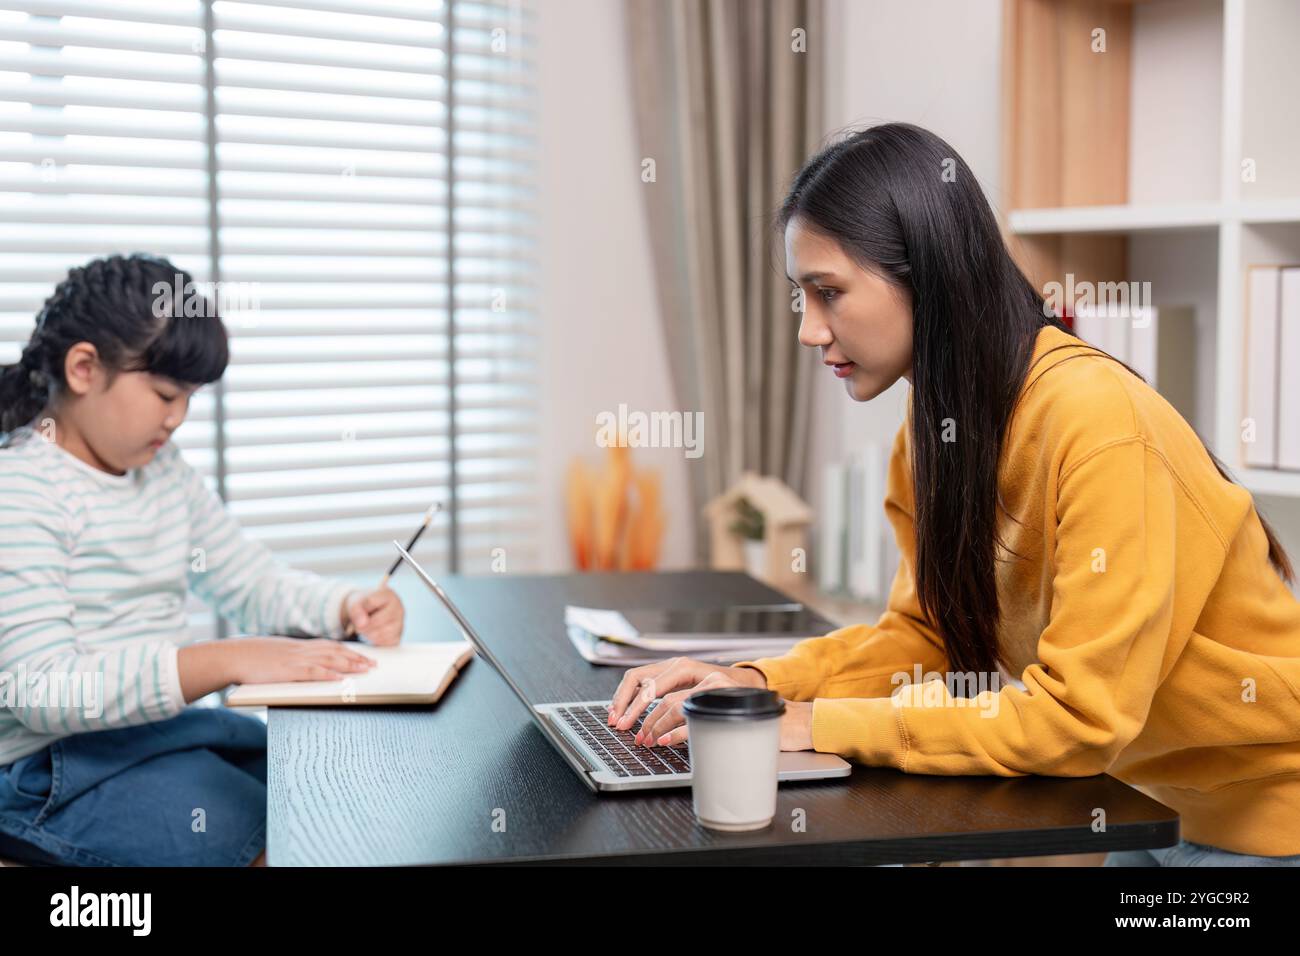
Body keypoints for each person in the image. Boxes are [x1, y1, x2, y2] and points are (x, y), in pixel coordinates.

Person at [607, 123, 1300, 866]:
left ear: (926, 275)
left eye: (829, 292)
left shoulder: (1098, 424)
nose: (810, 331)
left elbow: (1080, 719)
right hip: (1144, 807)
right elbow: (928, 636)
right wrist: (754, 686)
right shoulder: (936, 425)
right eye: (801, 297)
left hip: (1260, 823)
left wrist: (820, 723)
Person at [0, 254, 405, 866]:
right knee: (258, 838)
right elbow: (43, 688)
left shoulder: (160, 471)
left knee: (327, 789)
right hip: (47, 768)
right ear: (84, 368)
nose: (177, 417)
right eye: (165, 394)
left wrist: (343, 604)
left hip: (153, 733)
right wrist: (225, 659)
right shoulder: (24, 488)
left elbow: (244, 576)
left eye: (188, 397)